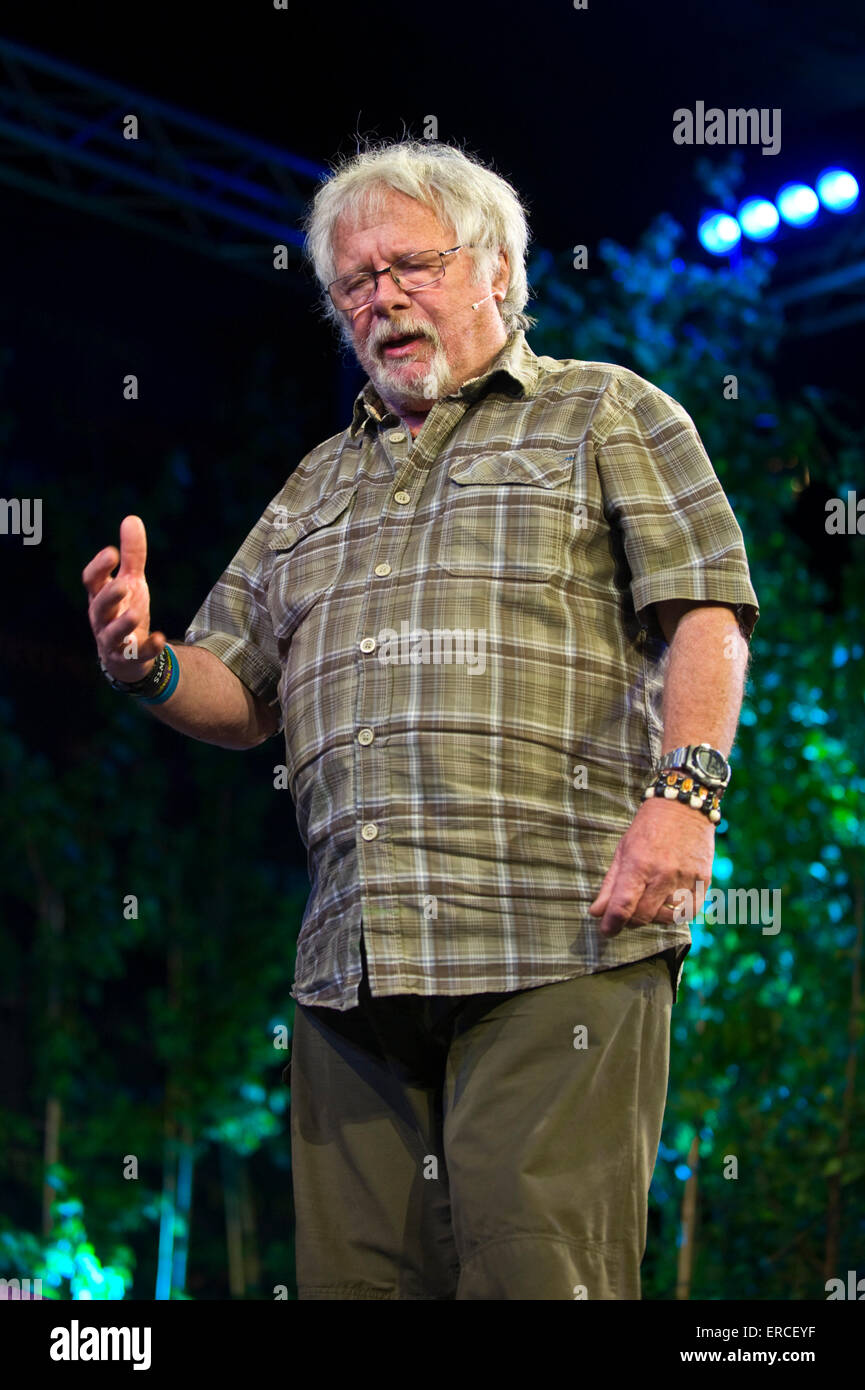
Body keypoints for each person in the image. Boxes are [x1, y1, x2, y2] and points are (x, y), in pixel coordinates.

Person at [82, 139, 759, 1300]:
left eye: (410, 264)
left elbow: (708, 610)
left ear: (495, 267)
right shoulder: (314, 483)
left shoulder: (605, 412)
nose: (379, 296)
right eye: (352, 281)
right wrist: (145, 663)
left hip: (556, 933)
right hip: (353, 971)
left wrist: (684, 800)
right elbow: (239, 695)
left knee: (537, 1273)